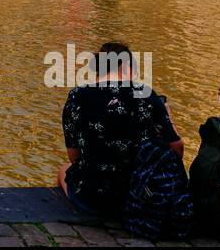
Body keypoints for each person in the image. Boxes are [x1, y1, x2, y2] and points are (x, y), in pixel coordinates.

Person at [58, 42, 183, 218]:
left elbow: (74, 156)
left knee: (64, 169)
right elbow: (177, 150)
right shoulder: (146, 94)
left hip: (94, 198)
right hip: (140, 195)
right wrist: (169, 119)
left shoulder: (77, 95)